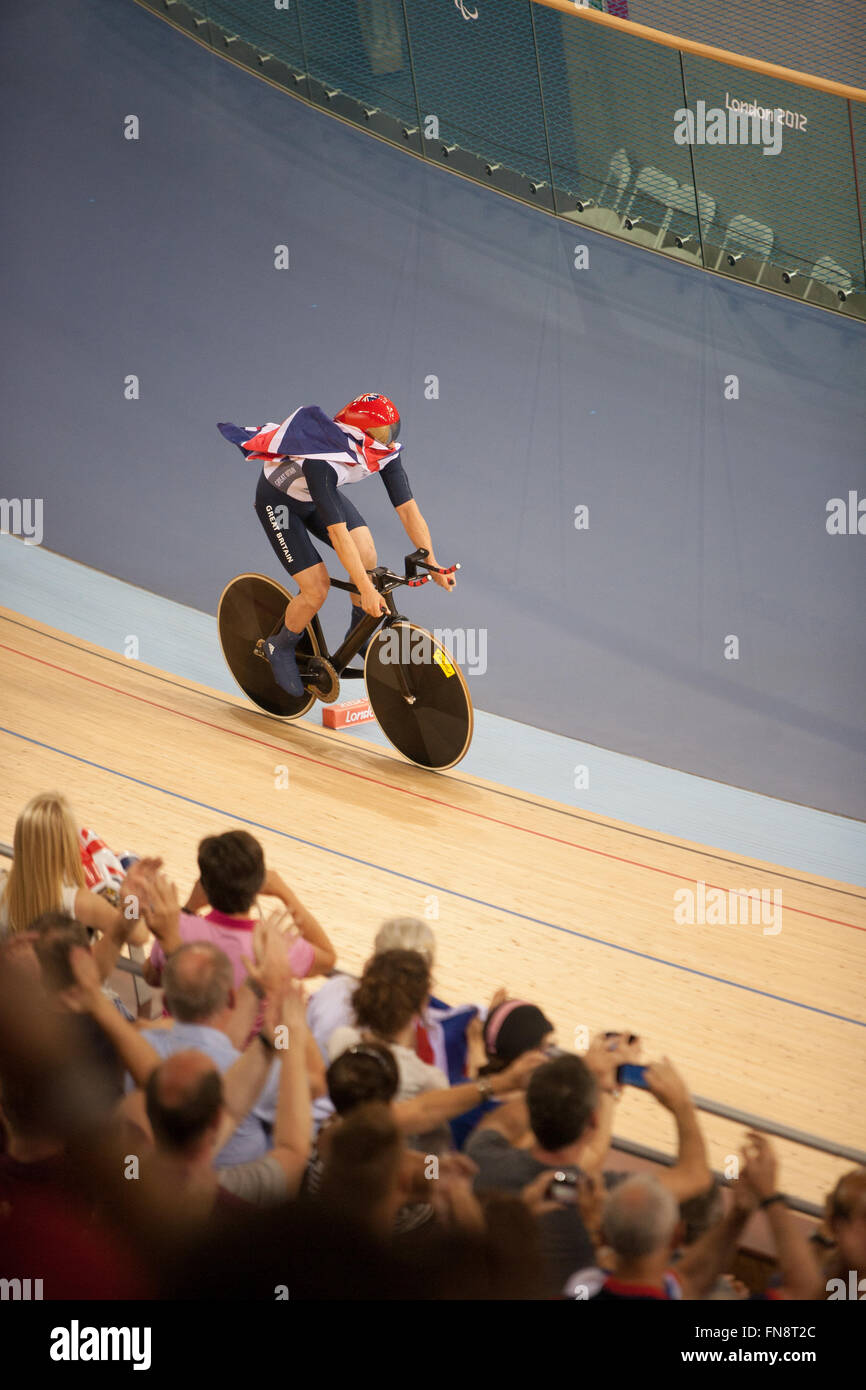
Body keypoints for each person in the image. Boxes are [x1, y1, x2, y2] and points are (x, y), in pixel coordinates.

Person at [218, 394, 456, 696]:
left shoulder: (381, 452)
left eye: (392, 430)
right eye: (383, 432)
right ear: (361, 431)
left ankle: (357, 631)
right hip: (280, 504)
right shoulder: (325, 462)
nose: (389, 438)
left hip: (314, 497)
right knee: (316, 588)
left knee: (368, 553)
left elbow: (408, 509)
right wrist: (366, 590)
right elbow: (339, 535)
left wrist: (432, 562)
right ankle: (280, 645)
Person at [0, 791, 148, 949]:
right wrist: (132, 894)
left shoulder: (3, 886)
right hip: (65, 974)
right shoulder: (80, 902)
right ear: (68, 845)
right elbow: (138, 935)